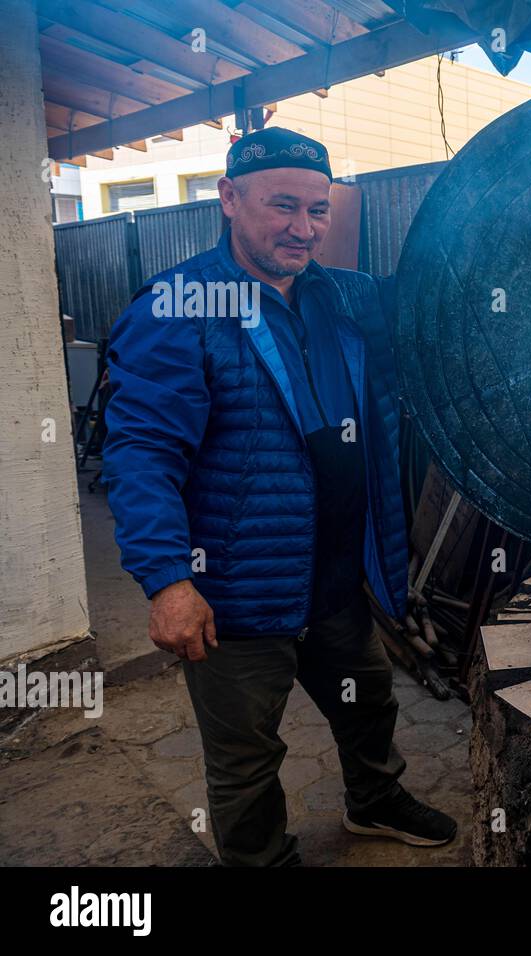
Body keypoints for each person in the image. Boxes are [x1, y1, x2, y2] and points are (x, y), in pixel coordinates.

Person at [101, 127, 457, 866]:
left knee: (369, 708)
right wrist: (168, 581)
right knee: (245, 754)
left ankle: (374, 802)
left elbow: (442, 316)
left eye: (318, 210)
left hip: (337, 580)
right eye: (283, 207)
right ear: (229, 199)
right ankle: (260, 857)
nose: (303, 228)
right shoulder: (179, 306)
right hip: (236, 593)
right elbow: (141, 453)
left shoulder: (349, 298)